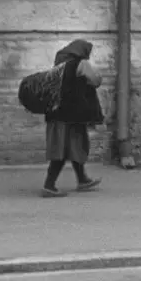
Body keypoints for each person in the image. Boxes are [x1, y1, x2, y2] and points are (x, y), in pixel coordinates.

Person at [42, 39, 104, 198]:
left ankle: (82, 179)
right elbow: (96, 80)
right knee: (64, 149)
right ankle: (49, 186)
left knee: (74, 147)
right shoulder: (80, 64)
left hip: (56, 114)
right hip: (72, 114)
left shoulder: (58, 65)